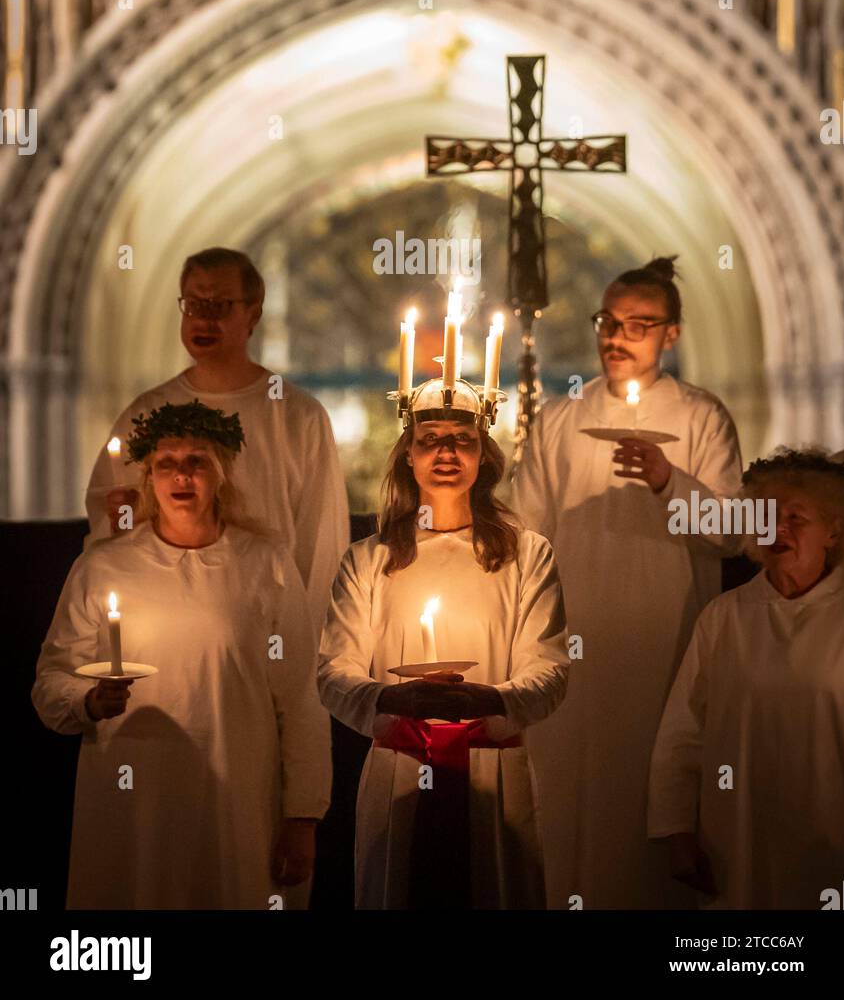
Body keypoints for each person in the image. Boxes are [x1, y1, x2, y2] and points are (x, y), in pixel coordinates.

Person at [33, 401, 331, 910]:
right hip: (132, 796)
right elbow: (52, 680)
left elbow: (300, 696)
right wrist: (88, 700)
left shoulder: (266, 564)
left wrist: (302, 817)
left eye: (196, 461)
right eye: (166, 463)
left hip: (234, 795)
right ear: (148, 477)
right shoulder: (104, 567)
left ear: (222, 473)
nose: (181, 476)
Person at [513, 255, 743, 909]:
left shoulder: (700, 417)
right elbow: (528, 531)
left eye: (638, 324)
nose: (616, 337)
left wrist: (670, 481)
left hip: (661, 644)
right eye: (608, 322)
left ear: (671, 335)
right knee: (568, 806)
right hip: (573, 642)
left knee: (646, 798)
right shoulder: (560, 419)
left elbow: (733, 530)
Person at [317, 375, 569, 909]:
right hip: (400, 769)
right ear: (408, 455)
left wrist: (492, 700)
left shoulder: (527, 555)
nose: (447, 452)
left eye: (463, 439)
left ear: (484, 456)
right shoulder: (368, 560)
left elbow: (549, 667)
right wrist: (390, 699)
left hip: (494, 771)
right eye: (430, 439)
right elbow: (334, 673)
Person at [85, 246, 349, 632]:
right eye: (193, 304)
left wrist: (306, 646)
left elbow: (322, 543)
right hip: (165, 619)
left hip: (268, 624)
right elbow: (109, 522)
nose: (203, 319)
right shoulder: (147, 413)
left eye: (220, 305)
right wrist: (121, 518)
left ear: (252, 314)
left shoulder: (298, 416)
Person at [648, 449, 844, 909]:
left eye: (796, 517)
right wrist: (676, 830)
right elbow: (684, 731)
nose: (776, 529)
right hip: (738, 834)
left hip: (835, 839)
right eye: (766, 515)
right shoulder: (725, 617)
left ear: (834, 529)